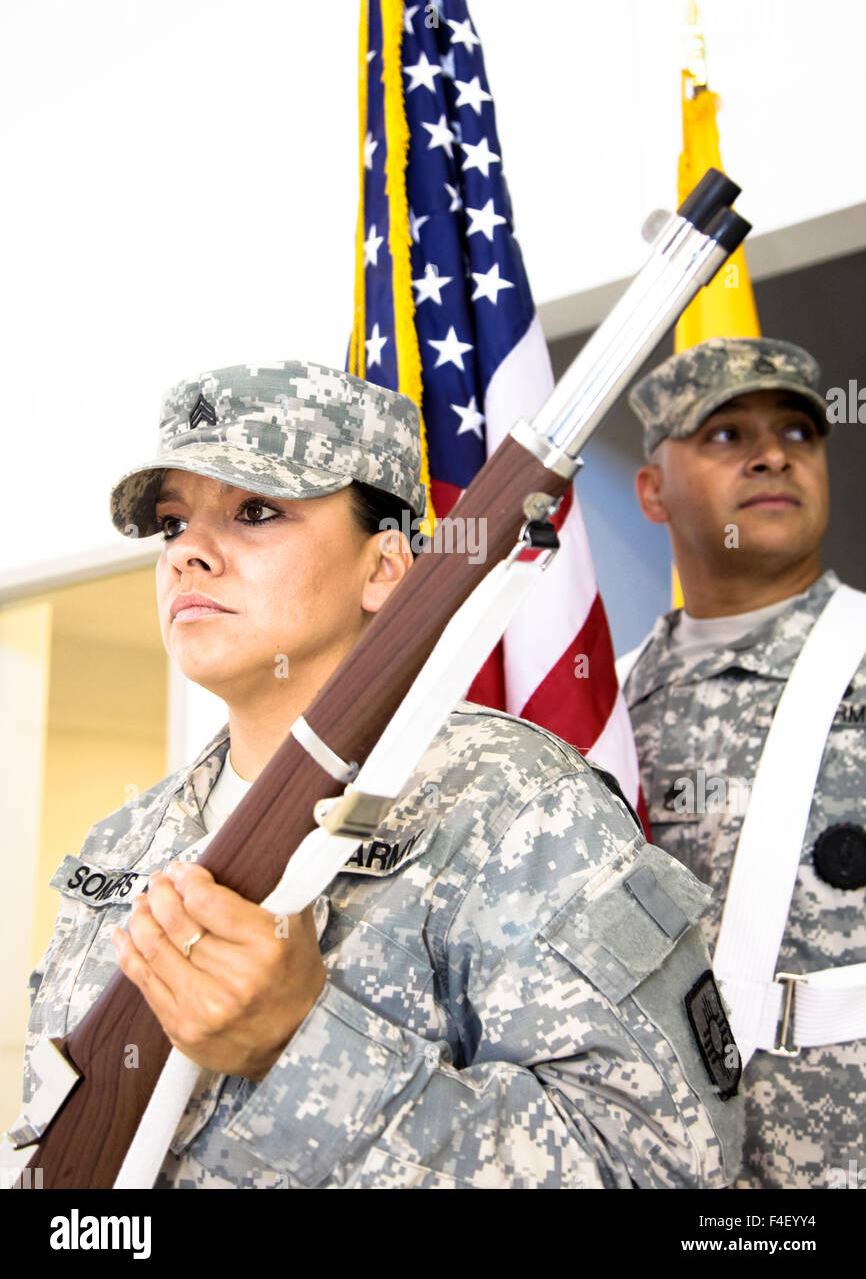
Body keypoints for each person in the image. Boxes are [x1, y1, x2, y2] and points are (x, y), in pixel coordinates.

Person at [17, 360, 743, 1190]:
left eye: (255, 512)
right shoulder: (124, 841)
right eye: (173, 523)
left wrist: (301, 1043)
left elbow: (661, 1166)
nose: (189, 555)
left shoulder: (517, 805)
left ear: (385, 569)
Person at [621, 336, 866, 1190]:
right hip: (670, 1167)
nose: (773, 455)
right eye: (725, 435)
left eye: (799, 432)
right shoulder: (608, 708)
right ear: (652, 489)